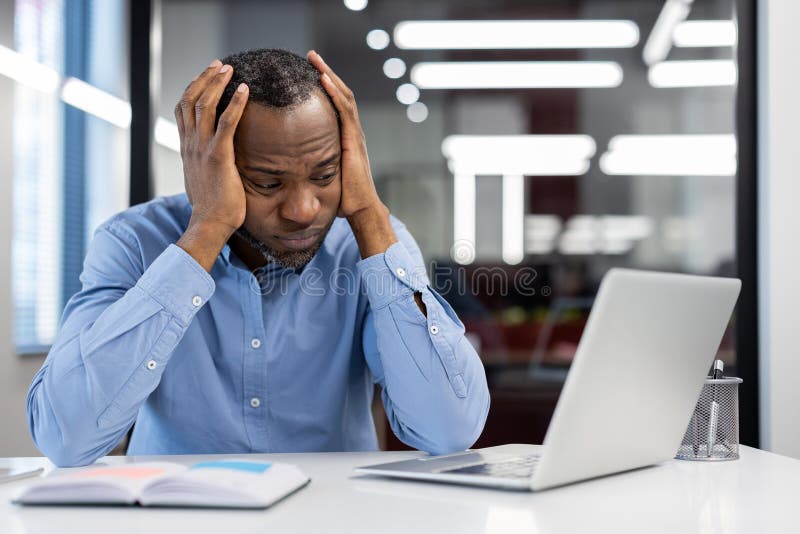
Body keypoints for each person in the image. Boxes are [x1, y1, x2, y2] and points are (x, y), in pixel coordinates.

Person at [26, 48, 490, 467]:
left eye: (325, 174)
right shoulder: (134, 242)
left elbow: (447, 430)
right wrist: (207, 228)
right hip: (177, 519)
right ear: (208, 163)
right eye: (267, 184)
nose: (303, 210)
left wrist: (369, 213)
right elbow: (66, 437)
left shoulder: (371, 246)